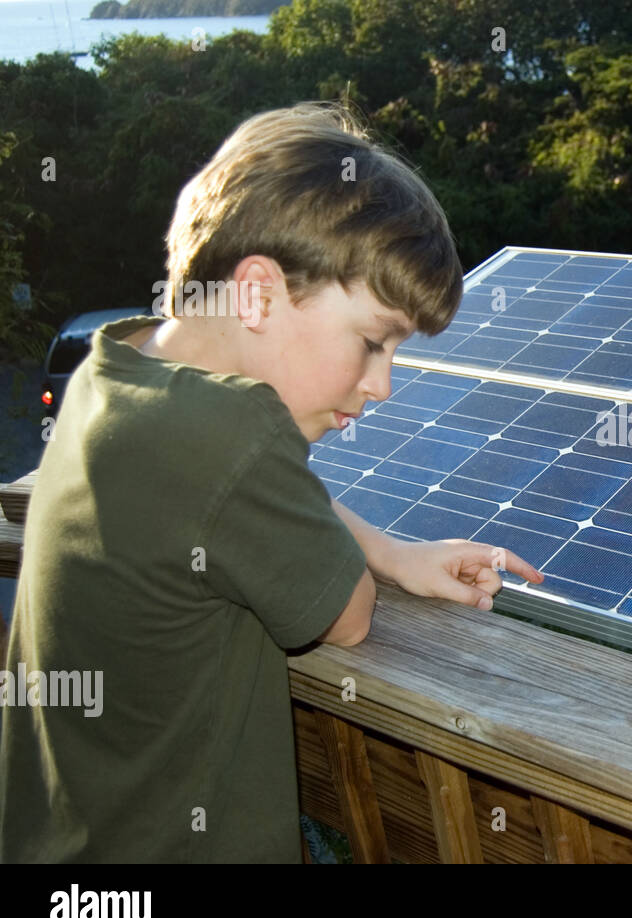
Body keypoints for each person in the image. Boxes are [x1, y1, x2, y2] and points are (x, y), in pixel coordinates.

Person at [0, 102, 542, 862]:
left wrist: (388, 552)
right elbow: (345, 619)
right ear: (256, 293)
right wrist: (367, 572)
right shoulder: (234, 430)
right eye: (373, 342)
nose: (382, 385)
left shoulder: (114, 372)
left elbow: (228, 500)